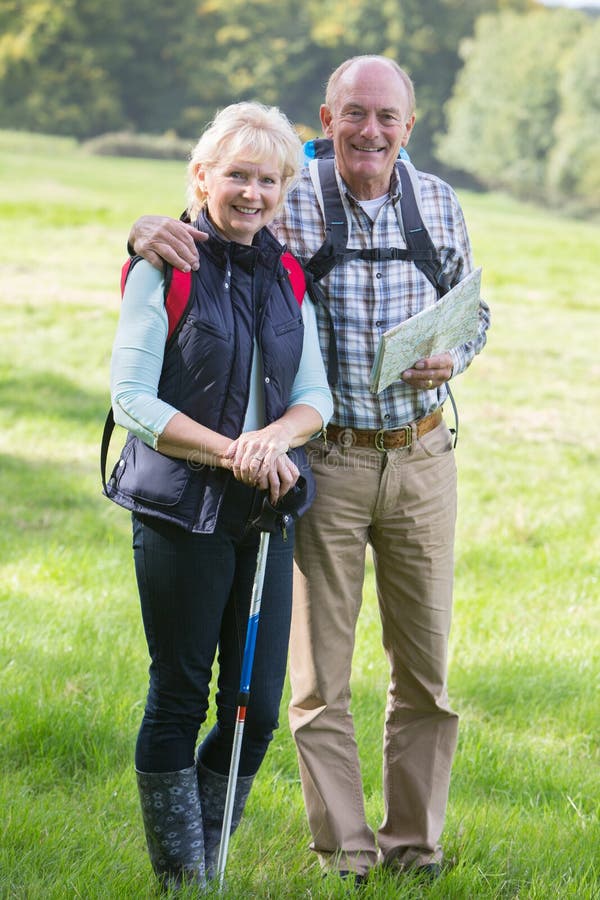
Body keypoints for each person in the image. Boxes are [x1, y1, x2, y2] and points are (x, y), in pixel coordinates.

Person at [127, 56, 491, 884]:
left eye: (386, 117)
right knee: (322, 678)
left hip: (425, 453)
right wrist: (142, 227)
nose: (370, 130)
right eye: (353, 115)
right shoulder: (291, 199)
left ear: (409, 124)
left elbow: (478, 311)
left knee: (426, 673)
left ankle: (413, 850)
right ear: (325, 122)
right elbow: (213, 217)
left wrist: (455, 354)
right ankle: (347, 854)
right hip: (322, 457)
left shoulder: (438, 203)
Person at [106, 100, 333, 889]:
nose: (252, 193)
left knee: (255, 711)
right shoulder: (161, 266)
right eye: (237, 175)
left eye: (268, 180)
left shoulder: (289, 274)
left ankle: (200, 861)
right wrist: (231, 451)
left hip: (264, 515)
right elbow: (132, 398)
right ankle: (185, 880)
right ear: (201, 177)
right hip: (180, 509)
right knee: (179, 697)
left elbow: (316, 396)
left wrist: (272, 442)